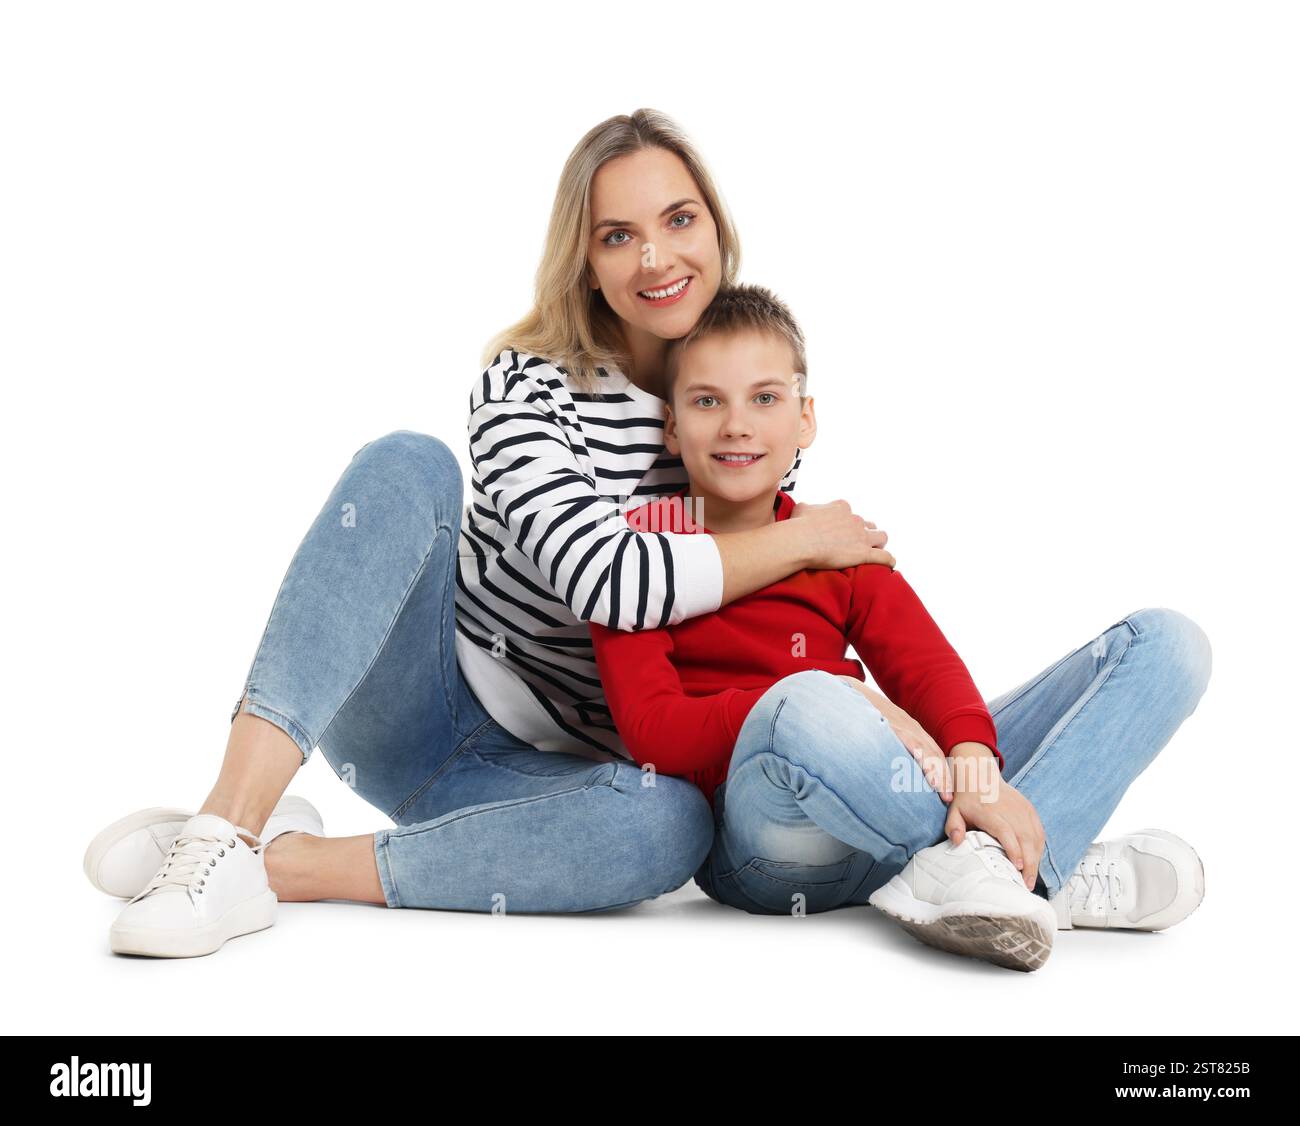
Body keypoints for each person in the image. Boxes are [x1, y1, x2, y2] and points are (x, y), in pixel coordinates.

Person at [83, 108, 896, 958]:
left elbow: (753, 625)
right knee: (406, 464)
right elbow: (604, 583)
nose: (656, 258)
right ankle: (225, 826)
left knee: (668, 829)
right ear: (584, 263)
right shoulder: (523, 389)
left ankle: (282, 865)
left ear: (718, 231)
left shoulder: (734, 414)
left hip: (561, 776)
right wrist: (804, 540)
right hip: (423, 702)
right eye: (618, 236)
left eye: (679, 220)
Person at [587, 283, 1212, 973]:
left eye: (765, 398)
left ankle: (992, 875)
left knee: (1167, 645)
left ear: (805, 420)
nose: (738, 424)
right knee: (804, 701)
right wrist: (841, 696)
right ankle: (1027, 863)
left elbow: (928, 671)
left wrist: (974, 767)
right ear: (672, 424)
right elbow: (654, 730)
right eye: (708, 401)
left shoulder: (834, 538)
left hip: (899, 792)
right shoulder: (640, 552)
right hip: (769, 844)